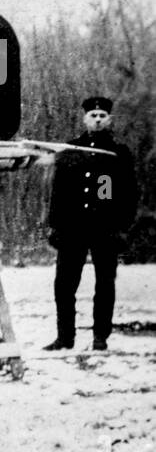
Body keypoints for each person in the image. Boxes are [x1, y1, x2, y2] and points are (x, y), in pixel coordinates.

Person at [43, 96, 137, 351]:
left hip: (105, 228)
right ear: (84, 119)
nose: (97, 120)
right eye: (92, 116)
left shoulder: (119, 152)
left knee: (104, 284)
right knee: (64, 285)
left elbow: (129, 193)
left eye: (102, 116)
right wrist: (55, 225)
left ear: (109, 119)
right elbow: (59, 191)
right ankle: (65, 337)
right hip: (73, 228)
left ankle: (100, 337)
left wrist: (122, 228)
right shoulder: (72, 150)